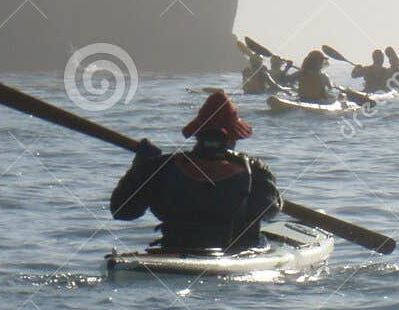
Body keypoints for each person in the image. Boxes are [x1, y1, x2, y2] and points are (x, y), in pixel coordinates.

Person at [110, 91, 280, 252]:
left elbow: (123, 211)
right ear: (233, 138)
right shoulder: (254, 171)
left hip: (174, 247)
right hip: (232, 251)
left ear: (197, 134)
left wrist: (140, 166)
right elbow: (270, 212)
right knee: (263, 240)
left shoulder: (161, 167)